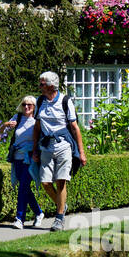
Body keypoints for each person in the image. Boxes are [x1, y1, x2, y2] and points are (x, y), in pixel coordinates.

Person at [32, 71, 87, 232]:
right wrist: (35, 149)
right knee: (45, 182)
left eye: (42, 84)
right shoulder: (40, 101)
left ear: (50, 85)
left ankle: (59, 218)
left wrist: (82, 152)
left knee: (61, 180)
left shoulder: (65, 101)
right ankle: (61, 205)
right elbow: (37, 127)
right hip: (46, 146)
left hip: (63, 145)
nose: (39, 86)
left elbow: (75, 127)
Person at [1, 95, 46, 230]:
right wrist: (6, 125)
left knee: (23, 186)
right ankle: (39, 213)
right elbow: (0, 132)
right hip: (17, 157)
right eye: (24, 104)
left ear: (34, 107)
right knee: (24, 187)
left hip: (31, 158)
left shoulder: (37, 120)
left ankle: (19, 218)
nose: (26, 107)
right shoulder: (17, 118)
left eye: (30, 105)